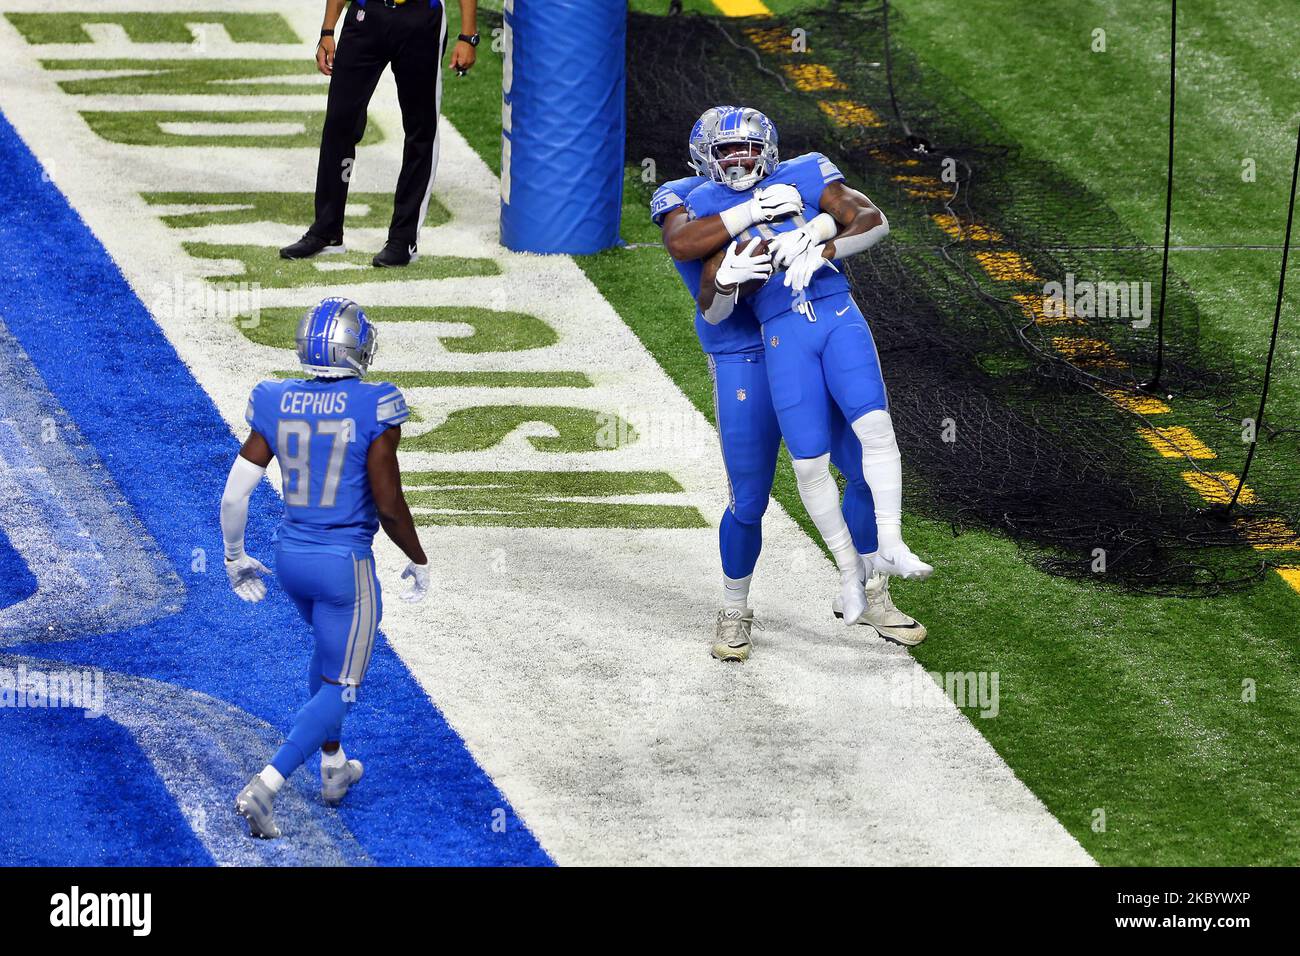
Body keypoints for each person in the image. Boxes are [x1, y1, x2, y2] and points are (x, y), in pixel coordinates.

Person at [652, 107, 926, 661]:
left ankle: (872, 589)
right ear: (705, 155)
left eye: (748, 148)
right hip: (742, 356)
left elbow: (865, 216)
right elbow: (694, 267)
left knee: (859, 471)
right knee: (749, 499)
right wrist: (746, 226)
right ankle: (734, 609)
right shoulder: (686, 197)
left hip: (805, 332)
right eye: (726, 150)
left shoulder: (802, 174)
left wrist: (818, 234)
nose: (739, 159)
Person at [221, 296, 430, 839]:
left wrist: (235, 557)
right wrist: (416, 555)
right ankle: (266, 786)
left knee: (327, 654)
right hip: (344, 565)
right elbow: (387, 502)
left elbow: (234, 495)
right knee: (345, 684)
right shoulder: (375, 403)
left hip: (292, 559)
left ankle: (333, 766)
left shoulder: (274, 398)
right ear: (352, 348)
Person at [280, 0, 480, 267]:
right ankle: (327, 230)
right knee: (340, 122)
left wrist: (468, 36)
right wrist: (328, 30)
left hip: (421, 17)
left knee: (420, 131)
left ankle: (403, 237)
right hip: (366, 13)